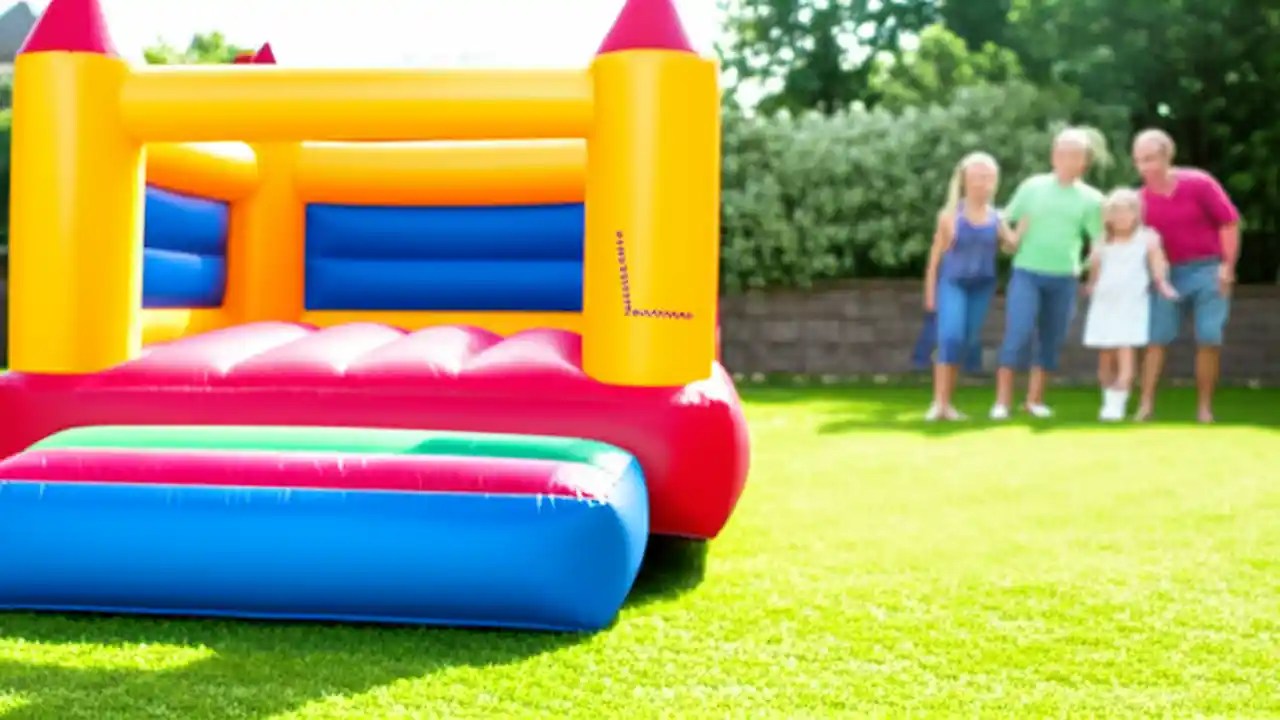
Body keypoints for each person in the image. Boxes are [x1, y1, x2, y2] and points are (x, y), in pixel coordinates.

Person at [991, 127, 1107, 420]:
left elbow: (1098, 240)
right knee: (1017, 333)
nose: (1067, 158)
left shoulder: (1093, 199)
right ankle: (1002, 403)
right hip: (1027, 273)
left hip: (1065, 278)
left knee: (1052, 338)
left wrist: (1091, 269)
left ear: (1085, 161)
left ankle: (1034, 401)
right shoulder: (1033, 187)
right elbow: (1003, 216)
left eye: (1074, 154)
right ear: (1053, 156)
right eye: (1062, 152)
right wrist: (1010, 239)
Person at [1131, 129, 1241, 423]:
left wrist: (1227, 267)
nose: (1144, 168)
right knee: (1157, 338)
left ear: (1168, 156)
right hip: (1166, 274)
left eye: (1150, 159)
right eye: (1139, 161)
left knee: (1209, 337)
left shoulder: (1199, 183)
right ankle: (1145, 405)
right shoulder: (1138, 201)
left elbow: (1228, 223)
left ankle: (1204, 408)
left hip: (1208, 268)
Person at [922, 152, 1018, 421]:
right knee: (949, 338)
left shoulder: (996, 217)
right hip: (953, 284)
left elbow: (1012, 245)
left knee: (963, 343)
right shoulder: (950, 215)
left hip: (981, 287)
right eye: (977, 177)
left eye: (987, 177)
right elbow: (934, 259)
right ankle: (938, 404)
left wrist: (1023, 225)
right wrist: (930, 292)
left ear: (995, 182)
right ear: (964, 180)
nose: (982, 182)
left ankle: (947, 404)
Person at [1082, 188, 1178, 421]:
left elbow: (1157, 263)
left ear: (1136, 214)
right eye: (1116, 213)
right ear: (1108, 217)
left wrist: (1162, 283)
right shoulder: (1102, 241)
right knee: (1105, 355)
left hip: (1132, 303)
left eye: (1127, 212)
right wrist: (1091, 285)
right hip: (1105, 302)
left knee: (1126, 351)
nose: (1122, 218)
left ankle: (1118, 404)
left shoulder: (1147, 237)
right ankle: (1109, 400)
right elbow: (1095, 270)